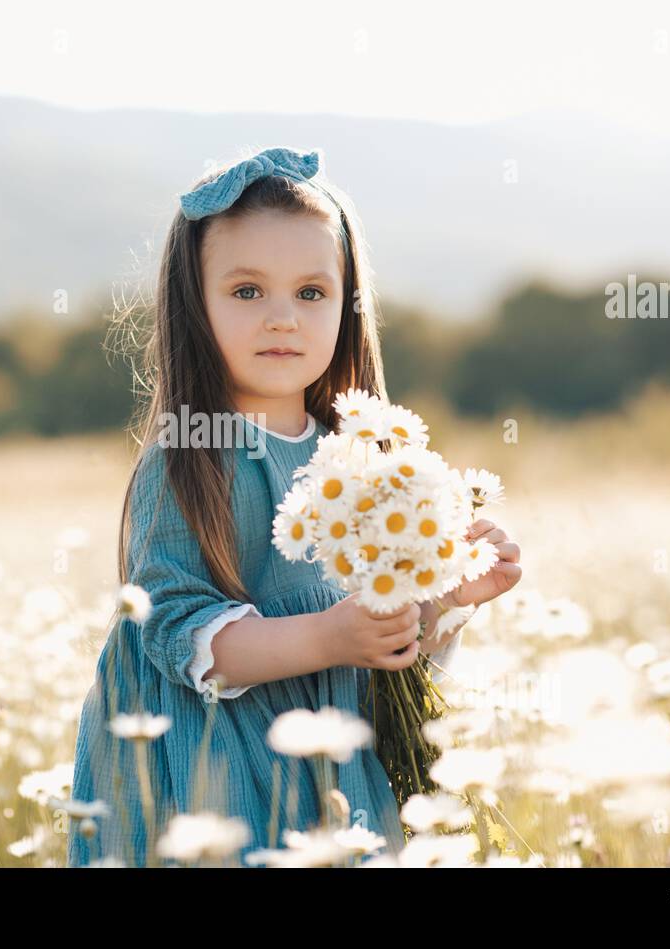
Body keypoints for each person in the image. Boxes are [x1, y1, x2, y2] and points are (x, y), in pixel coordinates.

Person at [67, 146, 521, 867]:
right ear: (196, 304)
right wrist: (329, 638)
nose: (283, 318)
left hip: (334, 778)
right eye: (247, 291)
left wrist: (443, 599)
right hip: (214, 781)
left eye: (311, 293)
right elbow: (176, 632)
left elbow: (376, 643)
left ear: (348, 305)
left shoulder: (362, 461)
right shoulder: (192, 455)